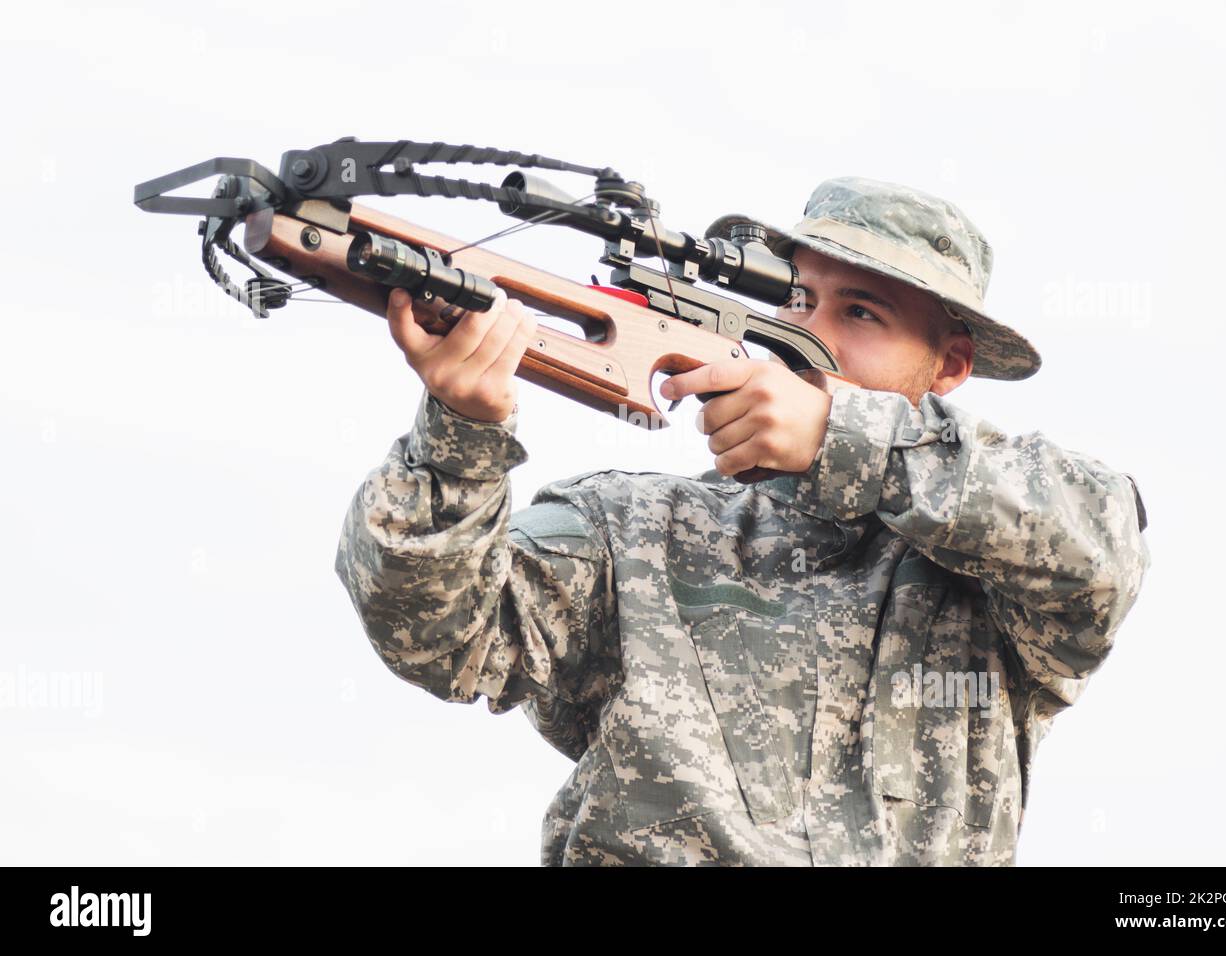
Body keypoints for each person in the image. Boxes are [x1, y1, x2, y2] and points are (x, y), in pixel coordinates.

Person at [333, 176, 1150, 866]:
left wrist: (840, 435)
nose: (810, 334)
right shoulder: (635, 528)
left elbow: (1101, 540)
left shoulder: (989, 576)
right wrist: (458, 433)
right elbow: (439, 638)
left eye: (860, 313)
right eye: (798, 300)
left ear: (951, 364)